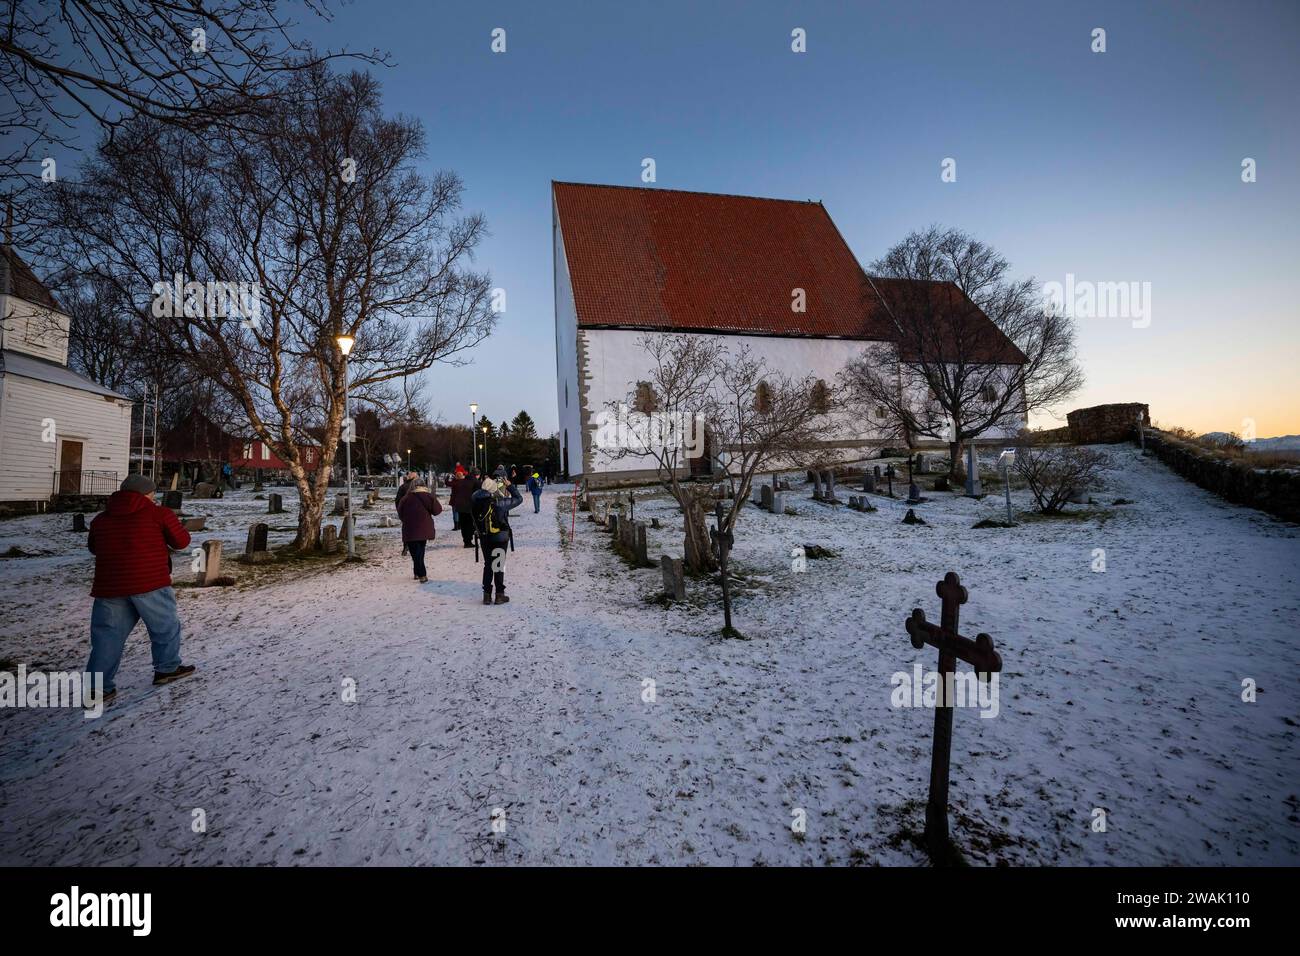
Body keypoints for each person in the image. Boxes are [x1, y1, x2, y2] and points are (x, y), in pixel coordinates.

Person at [85, 474, 197, 706]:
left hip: (110, 585)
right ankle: (167, 668)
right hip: (150, 582)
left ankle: (97, 689)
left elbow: (94, 548)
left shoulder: (101, 519)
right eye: (152, 493)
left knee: (107, 637)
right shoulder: (159, 514)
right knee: (165, 627)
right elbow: (181, 541)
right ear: (147, 494)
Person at [471, 474, 522, 605]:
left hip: (484, 537)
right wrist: (509, 486)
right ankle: (499, 594)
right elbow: (518, 499)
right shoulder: (500, 503)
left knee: (488, 564)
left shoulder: (475, 501)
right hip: (500, 537)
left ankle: (486, 595)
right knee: (498, 565)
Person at [396, 479, 442, 583]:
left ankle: (421, 574)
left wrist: (406, 520)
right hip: (424, 528)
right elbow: (437, 510)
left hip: (410, 528)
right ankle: (419, 572)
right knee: (420, 551)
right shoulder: (429, 496)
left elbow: (400, 512)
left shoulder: (406, 498)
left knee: (415, 552)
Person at [451, 468, 478, 548]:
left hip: (460, 506)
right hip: (469, 506)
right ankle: (468, 541)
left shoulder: (462, 482)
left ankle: (466, 541)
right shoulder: (475, 482)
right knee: (469, 524)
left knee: (463, 524)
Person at [395, 471, 417, 556]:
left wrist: (400, 511)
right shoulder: (418, 487)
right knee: (416, 529)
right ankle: (414, 546)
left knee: (406, 530)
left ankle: (405, 546)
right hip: (417, 512)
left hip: (406, 513)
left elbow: (397, 501)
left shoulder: (402, 487)